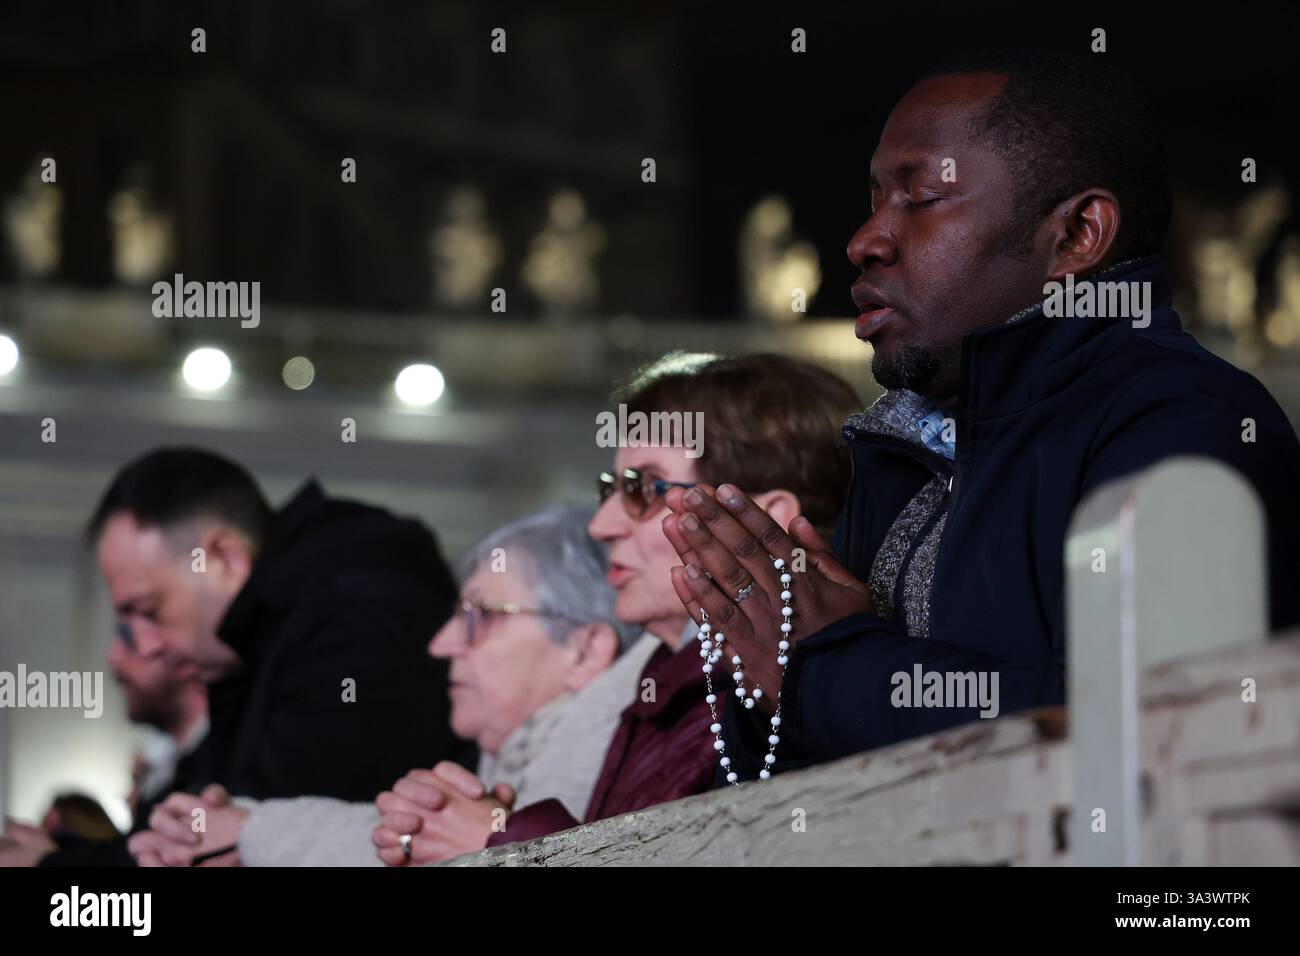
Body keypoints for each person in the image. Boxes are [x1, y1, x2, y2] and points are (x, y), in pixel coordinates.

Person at [662, 50, 1300, 775]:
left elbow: (1158, 733)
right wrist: (764, 679)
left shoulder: (1187, 425)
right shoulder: (897, 448)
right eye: (874, 199)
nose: (864, 240)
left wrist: (828, 670)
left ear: (1077, 234)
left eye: (922, 197)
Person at [371, 352, 862, 857]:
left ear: (764, 516)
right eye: (611, 489)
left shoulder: (791, 682)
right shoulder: (664, 678)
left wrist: (498, 842)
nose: (600, 526)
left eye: (642, 490)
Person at [128, 506, 651, 866]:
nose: (441, 643)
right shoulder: (517, 765)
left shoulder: (619, 762)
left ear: (586, 650)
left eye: (481, 615)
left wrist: (249, 831)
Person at [86, 448, 473, 812]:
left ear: (224, 558)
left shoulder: (357, 616)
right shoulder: (265, 640)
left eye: (150, 611)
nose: (146, 645)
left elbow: (255, 829)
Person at [0, 625, 210, 868]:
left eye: (129, 639)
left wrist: (48, 861)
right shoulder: (178, 774)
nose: (113, 658)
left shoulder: (215, 771)